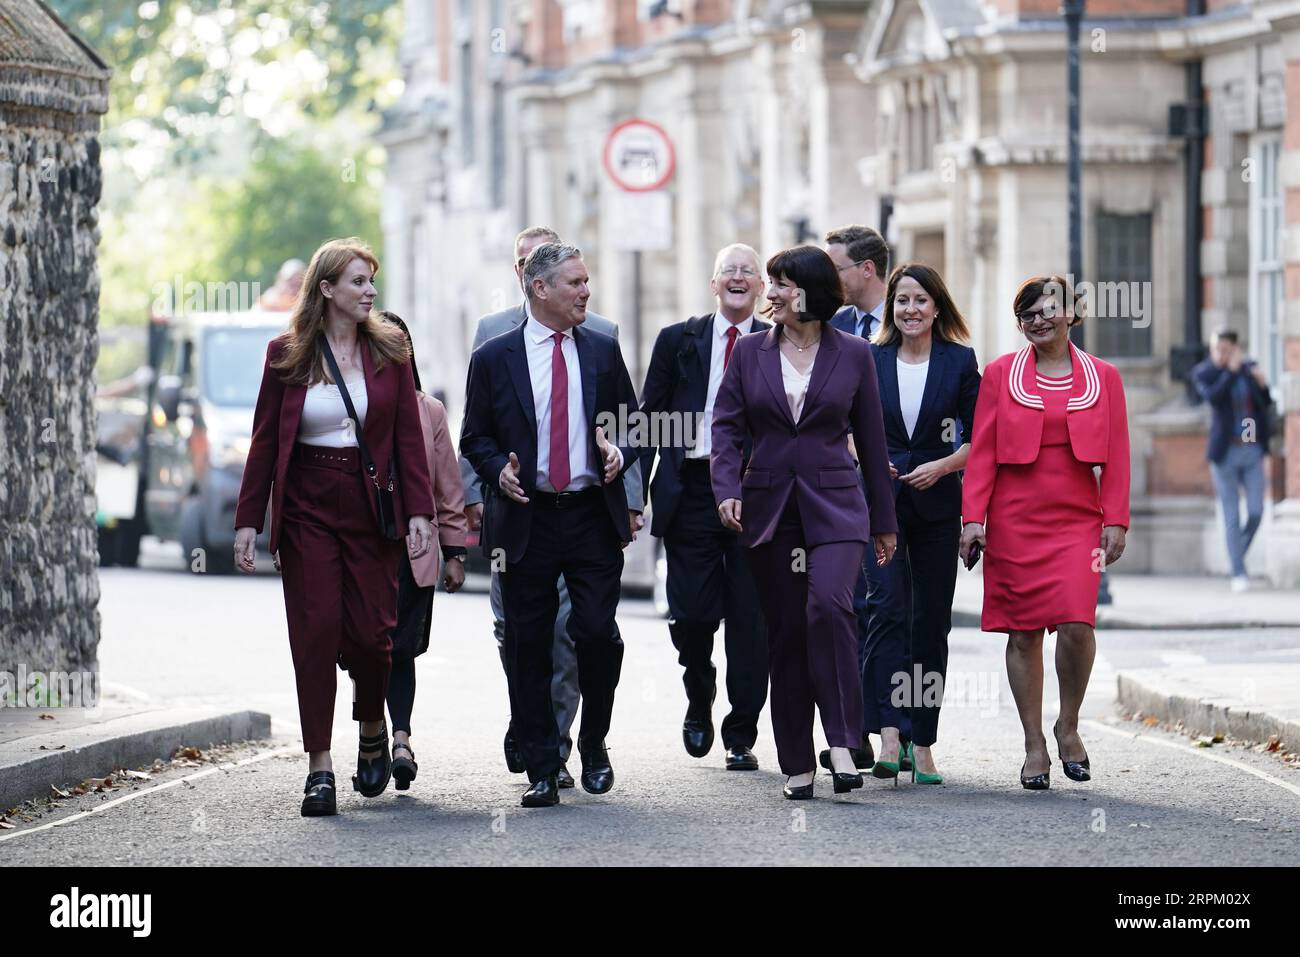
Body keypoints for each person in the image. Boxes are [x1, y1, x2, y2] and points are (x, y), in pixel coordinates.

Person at [234, 238, 436, 817]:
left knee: (375, 638)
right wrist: (249, 521)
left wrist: (420, 512)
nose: (370, 291)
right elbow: (265, 441)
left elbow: (406, 441)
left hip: (370, 505)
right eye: (357, 282)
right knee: (316, 632)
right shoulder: (287, 353)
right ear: (326, 290)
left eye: (371, 282)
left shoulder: (390, 351)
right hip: (307, 506)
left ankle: (372, 722)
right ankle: (319, 767)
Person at [458, 226, 644, 788]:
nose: (586, 291)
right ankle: (542, 765)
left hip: (590, 515)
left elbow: (636, 425)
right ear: (539, 288)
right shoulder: (495, 357)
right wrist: (497, 473)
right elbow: (475, 438)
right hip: (527, 519)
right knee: (527, 642)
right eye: (575, 283)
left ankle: (593, 740)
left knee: (595, 635)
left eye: (587, 281)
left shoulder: (602, 349)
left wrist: (620, 453)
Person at [712, 245, 897, 801]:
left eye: (781, 283)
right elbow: (726, 428)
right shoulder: (749, 354)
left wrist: (884, 520)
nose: (770, 293)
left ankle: (841, 742)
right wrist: (726, 490)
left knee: (830, 607)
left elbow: (871, 438)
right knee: (787, 632)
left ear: (811, 291)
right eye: (771, 282)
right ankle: (796, 758)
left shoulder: (856, 354)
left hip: (837, 506)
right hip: (769, 511)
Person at [959, 276, 1130, 790]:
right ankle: (1034, 743)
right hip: (1014, 519)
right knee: (1024, 629)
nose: (1038, 320)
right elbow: (983, 451)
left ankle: (1069, 726)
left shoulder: (1105, 377)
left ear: (1072, 314)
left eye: (1047, 310)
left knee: (1079, 623)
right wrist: (973, 519)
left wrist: (1116, 519)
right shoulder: (998, 375)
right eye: (1027, 314)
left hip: (1078, 517)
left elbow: (1118, 454)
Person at [638, 243, 771, 770]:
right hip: (692, 489)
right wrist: (628, 492)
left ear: (761, 288)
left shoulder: (778, 342)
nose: (738, 278)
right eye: (728, 271)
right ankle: (699, 694)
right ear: (714, 284)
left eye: (748, 271)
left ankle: (741, 732)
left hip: (758, 493)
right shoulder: (679, 340)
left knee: (750, 619)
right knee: (691, 615)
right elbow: (649, 417)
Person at [859, 264, 980, 786]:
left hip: (936, 509)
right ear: (891, 307)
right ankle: (888, 734)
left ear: (937, 307)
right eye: (902, 300)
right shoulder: (868, 357)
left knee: (930, 623)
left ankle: (922, 740)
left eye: (921, 300)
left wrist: (945, 465)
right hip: (880, 506)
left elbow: (981, 440)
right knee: (885, 611)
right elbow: (845, 426)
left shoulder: (960, 362)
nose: (910, 309)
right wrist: (869, 461)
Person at [377, 312, 469, 790]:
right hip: (365, 549)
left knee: (402, 650)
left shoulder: (429, 411)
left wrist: (455, 552)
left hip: (414, 551)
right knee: (367, 650)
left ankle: (401, 738)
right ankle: (373, 738)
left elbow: (448, 490)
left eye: (399, 346)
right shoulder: (351, 407)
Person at [821, 224, 892, 771]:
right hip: (842, 489)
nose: (829, 277)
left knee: (896, 610)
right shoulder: (833, 327)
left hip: (912, 485)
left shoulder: (913, 312)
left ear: (866, 269)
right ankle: (857, 729)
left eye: (837, 267)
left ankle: (906, 730)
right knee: (850, 606)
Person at [1191, 330, 1273, 592]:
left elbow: (1264, 404)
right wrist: (1231, 371)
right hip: (1224, 453)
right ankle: (1238, 571)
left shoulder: (1248, 370)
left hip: (1250, 447)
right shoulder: (1205, 372)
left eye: (1226, 349)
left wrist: (1263, 385)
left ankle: (1236, 554)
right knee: (1231, 515)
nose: (1222, 354)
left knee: (1257, 511)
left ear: (1235, 348)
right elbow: (1214, 397)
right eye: (1217, 349)